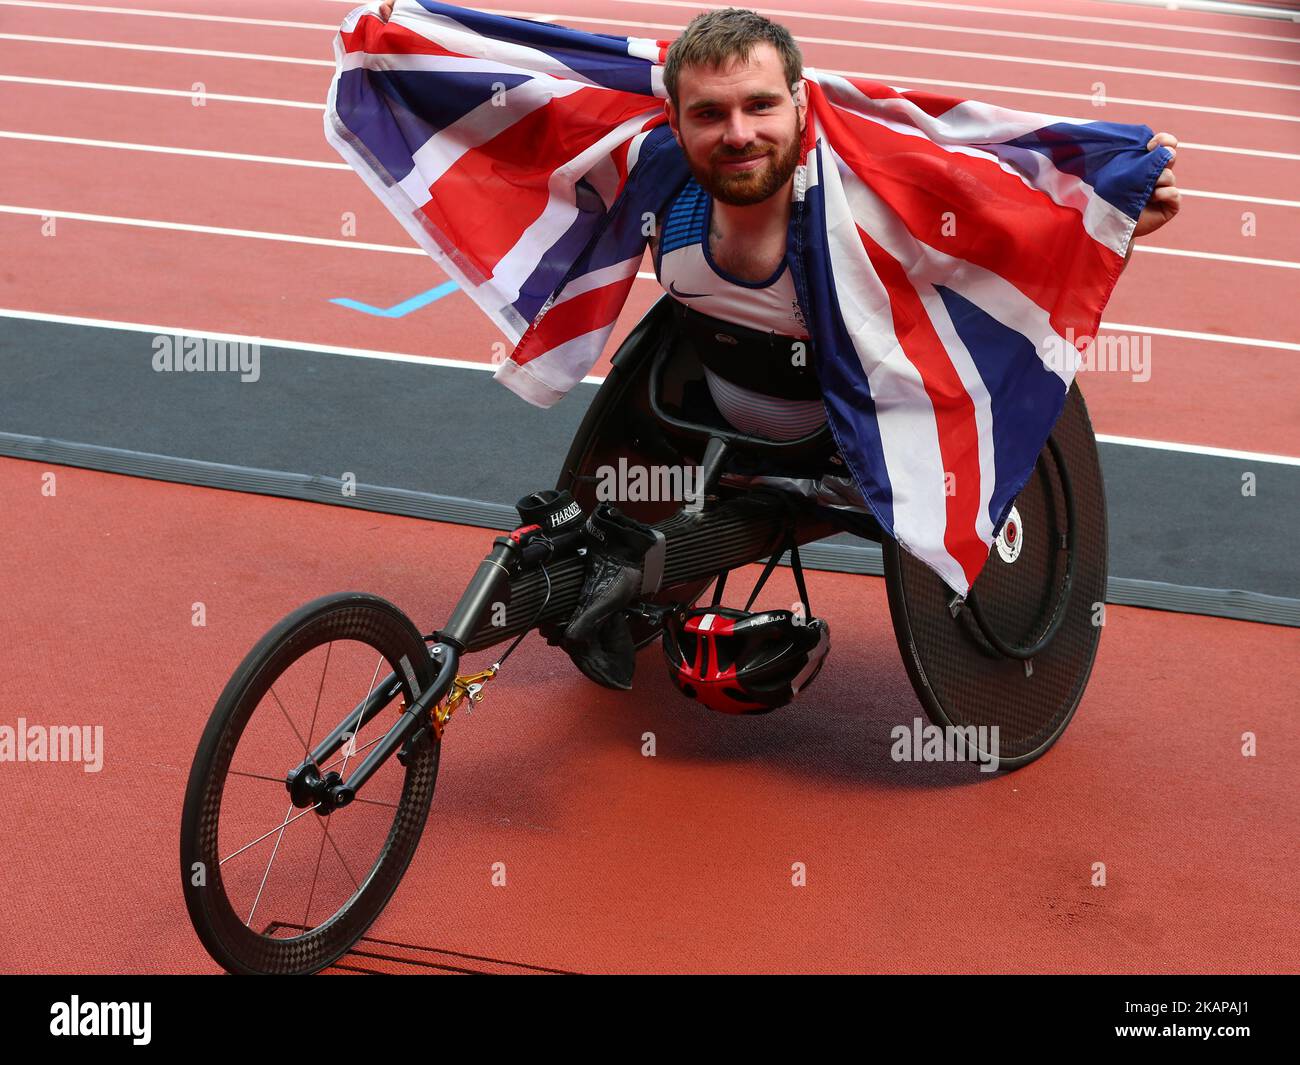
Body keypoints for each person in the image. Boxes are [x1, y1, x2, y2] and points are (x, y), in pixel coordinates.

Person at [372, 3, 1181, 687]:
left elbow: (1017, 218)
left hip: (843, 433)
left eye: (760, 107)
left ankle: (641, 564)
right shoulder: (658, 172)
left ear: (801, 105)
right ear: (674, 121)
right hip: (705, 408)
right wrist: (395, 43)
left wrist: (1117, 199)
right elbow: (531, 113)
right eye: (710, 114)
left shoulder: (866, 210)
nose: (737, 133)